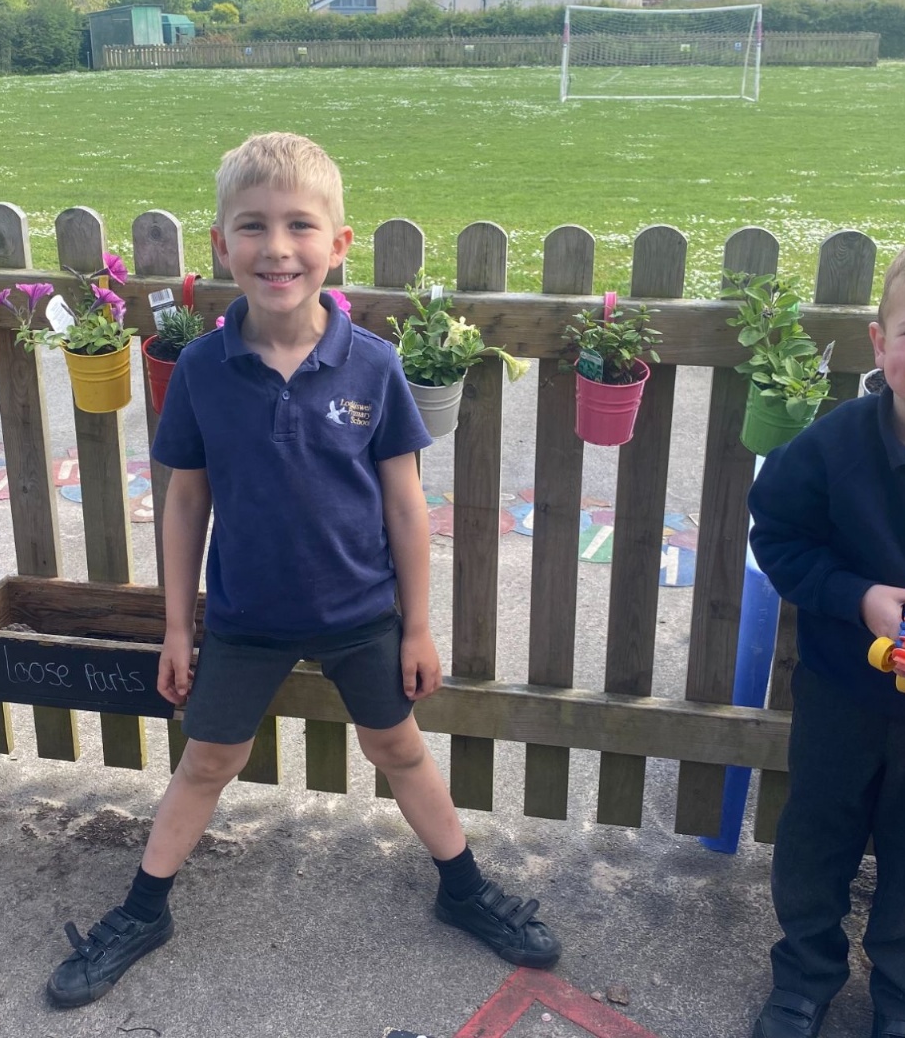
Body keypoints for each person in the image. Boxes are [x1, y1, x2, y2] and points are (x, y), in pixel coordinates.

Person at [46, 132, 559, 1008]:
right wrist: (178, 628)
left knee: (398, 748)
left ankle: (464, 889)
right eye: (252, 226)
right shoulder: (201, 369)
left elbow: (406, 507)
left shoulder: (375, 365)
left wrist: (419, 626)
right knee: (208, 760)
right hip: (244, 618)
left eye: (299, 225)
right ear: (222, 245)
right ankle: (142, 911)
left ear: (338, 243)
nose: (276, 248)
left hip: (362, 614)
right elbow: (185, 502)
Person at [747, 229, 905, 1038]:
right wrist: (858, 599)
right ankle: (804, 976)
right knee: (814, 846)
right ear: (880, 343)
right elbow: (779, 537)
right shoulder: (831, 447)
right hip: (841, 696)